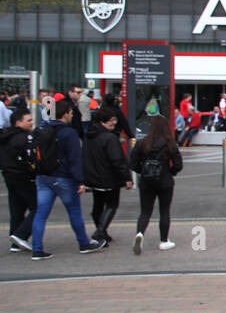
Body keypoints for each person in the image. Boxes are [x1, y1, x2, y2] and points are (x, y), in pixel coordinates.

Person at [29, 98, 105, 259]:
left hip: (43, 176)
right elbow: (75, 160)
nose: (72, 115)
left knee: (41, 214)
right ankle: (84, 243)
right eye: (71, 112)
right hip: (64, 177)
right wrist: (80, 181)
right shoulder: (68, 133)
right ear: (65, 114)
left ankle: (37, 248)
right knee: (74, 212)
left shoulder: (41, 129)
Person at [129, 115, 182, 253]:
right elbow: (178, 164)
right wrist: (170, 172)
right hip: (165, 181)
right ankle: (164, 241)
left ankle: (140, 233)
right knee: (164, 211)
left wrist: (143, 171)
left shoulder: (142, 143)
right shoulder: (169, 143)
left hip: (146, 181)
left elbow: (133, 163)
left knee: (145, 211)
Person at [82, 107, 133, 244]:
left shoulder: (88, 136)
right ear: (102, 122)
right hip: (109, 177)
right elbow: (117, 160)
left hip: (93, 176)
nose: (115, 123)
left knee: (97, 206)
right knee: (111, 204)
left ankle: (102, 231)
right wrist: (127, 177)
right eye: (112, 120)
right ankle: (99, 232)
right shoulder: (110, 138)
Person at [1, 107, 37, 251]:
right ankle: (21, 234)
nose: (31, 123)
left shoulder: (5, 137)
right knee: (38, 208)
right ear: (18, 122)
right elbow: (30, 158)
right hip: (23, 176)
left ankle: (15, 240)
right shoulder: (23, 138)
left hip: (9, 175)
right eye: (28, 120)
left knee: (17, 208)